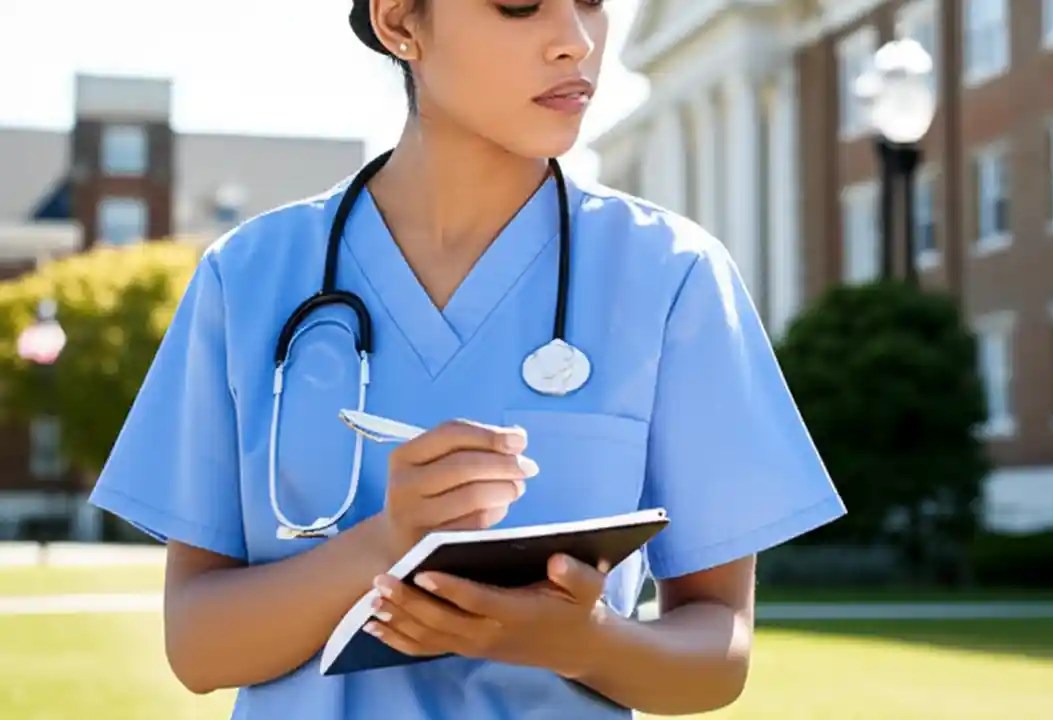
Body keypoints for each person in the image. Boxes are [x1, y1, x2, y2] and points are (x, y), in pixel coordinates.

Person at [87, 1, 846, 718]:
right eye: (519, 5)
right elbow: (197, 646)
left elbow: (719, 654)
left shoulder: (671, 275)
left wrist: (582, 643)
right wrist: (386, 542)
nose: (575, 40)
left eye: (590, 0)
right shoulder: (248, 277)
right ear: (399, 22)